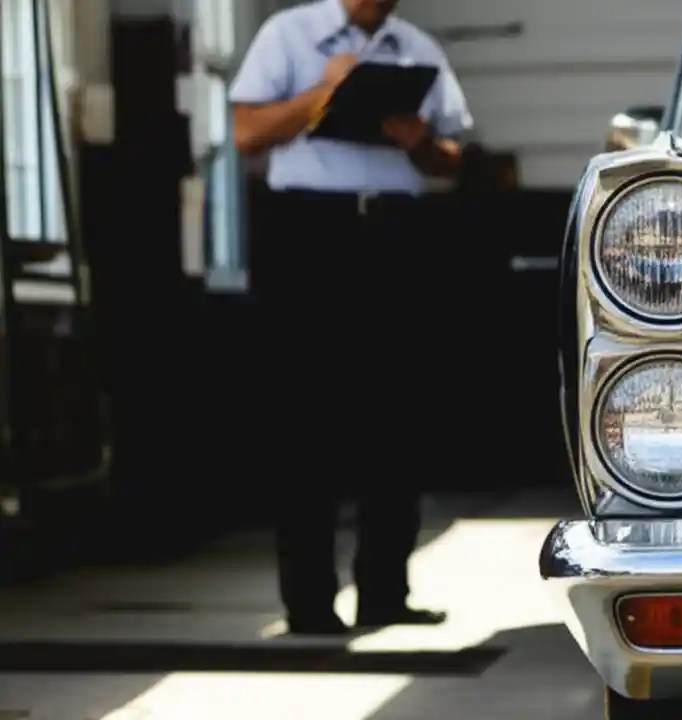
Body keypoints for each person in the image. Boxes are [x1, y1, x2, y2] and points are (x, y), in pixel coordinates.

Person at [229, 0, 471, 635]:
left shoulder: (416, 47)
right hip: (308, 233)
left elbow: (453, 157)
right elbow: (246, 133)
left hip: (394, 234)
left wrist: (421, 143)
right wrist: (326, 92)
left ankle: (386, 593)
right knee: (306, 419)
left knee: (395, 417)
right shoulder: (288, 35)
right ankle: (308, 603)